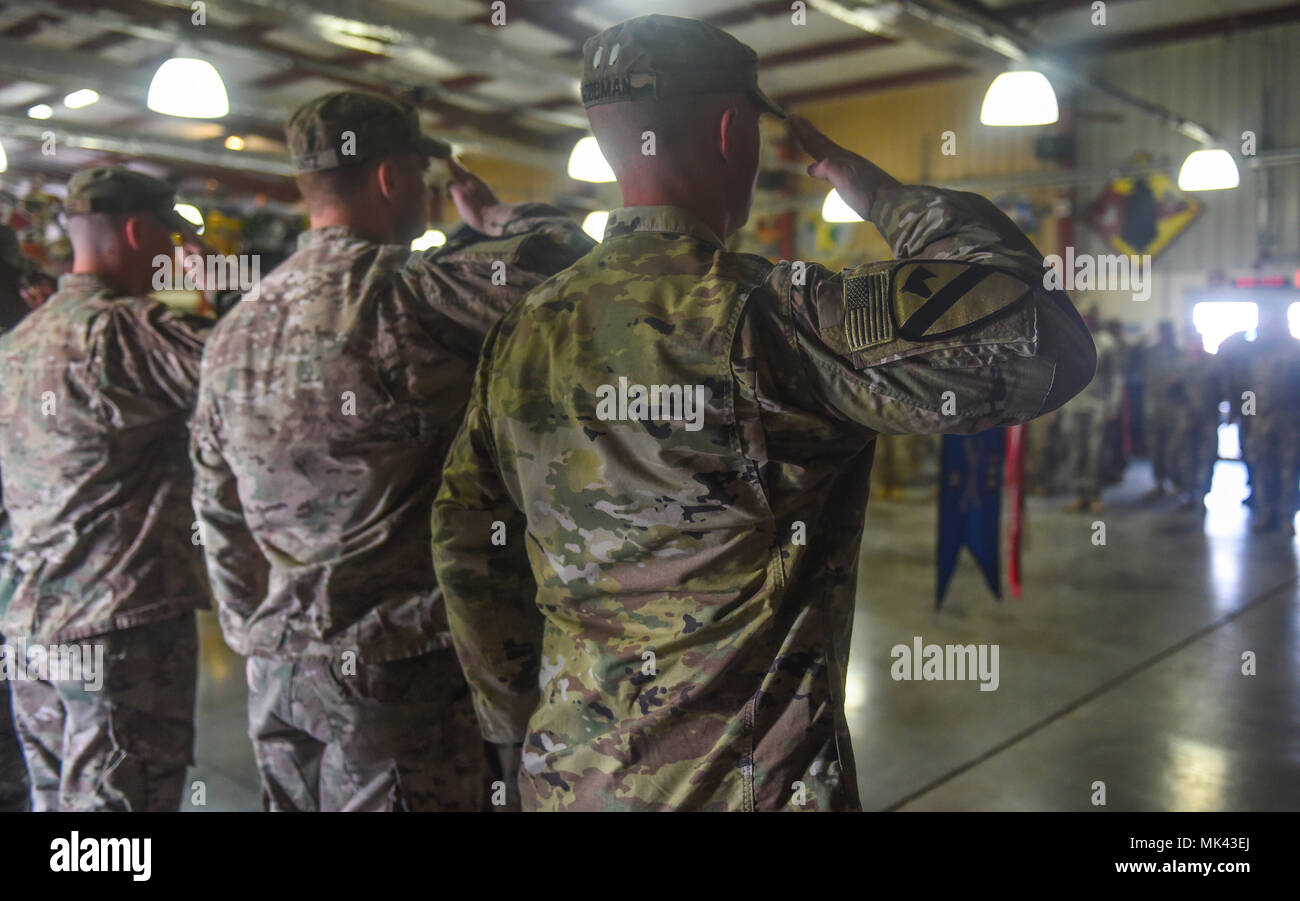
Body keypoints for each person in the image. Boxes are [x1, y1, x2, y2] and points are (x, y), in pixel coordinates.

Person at [430, 14, 1096, 812]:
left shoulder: (521, 329)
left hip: (569, 781)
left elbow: (465, 536)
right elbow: (1041, 337)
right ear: (730, 133)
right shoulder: (769, 317)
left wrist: (511, 723)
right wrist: (888, 199)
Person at [190, 91, 593, 812]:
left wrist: (257, 628)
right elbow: (579, 278)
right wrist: (500, 216)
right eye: (422, 174)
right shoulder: (410, 295)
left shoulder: (235, 327)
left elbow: (215, 505)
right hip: (397, 675)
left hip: (278, 674)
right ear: (389, 179)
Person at [0, 168, 208, 811]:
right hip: (117, 630)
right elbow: (255, 383)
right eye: (169, 241)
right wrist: (218, 288)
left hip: (28, 625)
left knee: (59, 814)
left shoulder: (20, 341)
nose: (173, 256)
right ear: (137, 230)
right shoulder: (132, 332)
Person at [1235, 304, 1300, 532]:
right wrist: (1249, 418)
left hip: (1290, 420)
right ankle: (1265, 513)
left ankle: (1286, 517)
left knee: (1289, 469)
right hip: (1260, 420)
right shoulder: (1253, 355)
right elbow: (1247, 391)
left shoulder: (1296, 352)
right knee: (1263, 468)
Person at [1063, 308, 1122, 512]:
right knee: (1075, 450)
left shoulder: (1106, 343)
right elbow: (1061, 373)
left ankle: (1095, 494)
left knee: (1096, 451)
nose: (1086, 321)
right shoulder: (1069, 341)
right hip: (1073, 403)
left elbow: (1115, 376)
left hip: (1097, 404)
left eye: (1089, 317)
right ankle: (1079, 494)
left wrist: (1113, 404)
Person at [1168, 324, 1221, 511]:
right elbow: (1171, 394)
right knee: (1186, 457)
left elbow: (1223, 388)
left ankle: (1202, 493)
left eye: (1197, 343)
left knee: (1208, 457)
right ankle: (1188, 493)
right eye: (1192, 343)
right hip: (1186, 419)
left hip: (1208, 417)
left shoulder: (1214, 364)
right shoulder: (1180, 366)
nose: (1195, 346)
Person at [1141, 320, 1181, 499]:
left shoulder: (1179, 354)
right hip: (1153, 408)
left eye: (1168, 332)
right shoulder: (1149, 354)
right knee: (1155, 448)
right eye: (1162, 332)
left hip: (1173, 410)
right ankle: (1159, 483)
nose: (1165, 335)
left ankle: (1175, 482)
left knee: (1173, 448)